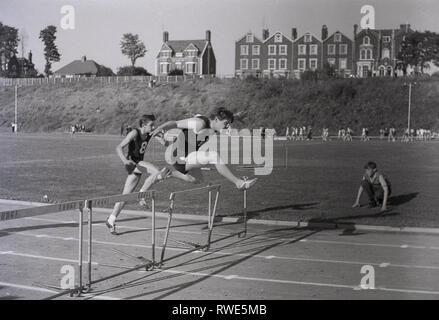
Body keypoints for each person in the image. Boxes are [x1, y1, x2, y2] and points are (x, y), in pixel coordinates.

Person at [149, 107, 257, 192]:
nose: (227, 126)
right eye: (225, 123)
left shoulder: (215, 125)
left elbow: (227, 119)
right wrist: (160, 128)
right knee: (213, 156)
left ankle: (168, 174)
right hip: (179, 157)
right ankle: (238, 183)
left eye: (228, 124)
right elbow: (175, 123)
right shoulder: (199, 123)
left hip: (189, 156)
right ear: (216, 119)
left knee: (197, 180)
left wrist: (237, 116)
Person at [105, 114, 168, 234]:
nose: (153, 126)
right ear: (143, 125)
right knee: (156, 170)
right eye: (151, 125)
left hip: (138, 166)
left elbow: (165, 144)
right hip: (133, 164)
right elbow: (119, 147)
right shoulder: (134, 133)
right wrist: (125, 161)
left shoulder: (150, 133)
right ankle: (142, 194)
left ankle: (111, 219)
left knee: (125, 196)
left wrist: (163, 136)